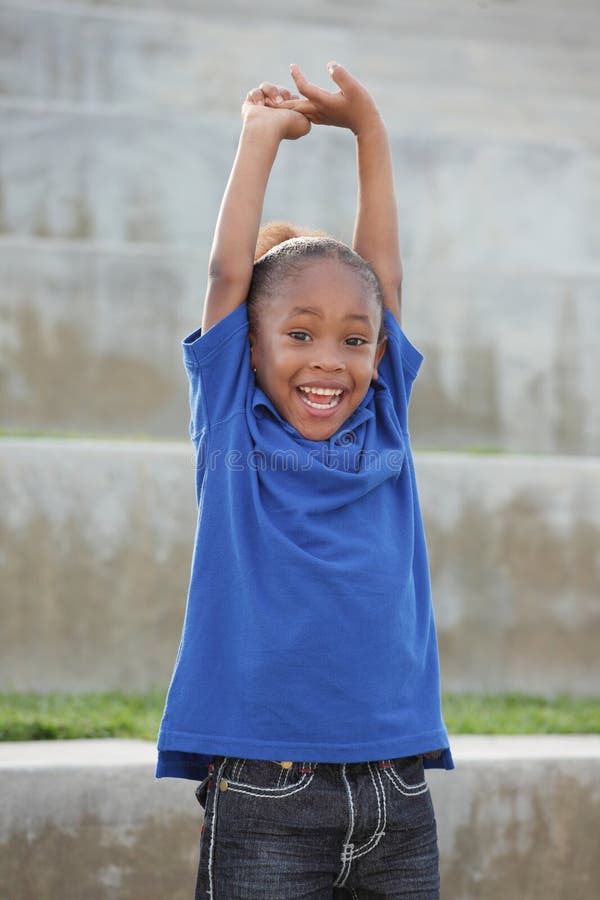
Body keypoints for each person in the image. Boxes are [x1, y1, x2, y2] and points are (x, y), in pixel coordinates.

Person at [155, 61, 453, 899]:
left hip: (397, 787)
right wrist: (258, 139)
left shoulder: (384, 420)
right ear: (250, 349)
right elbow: (225, 280)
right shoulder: (231, 430)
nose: (329, 358)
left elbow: (383, 280)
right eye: (299, 334)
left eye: (354, 341)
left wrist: (370, 131)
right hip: (266, 791)